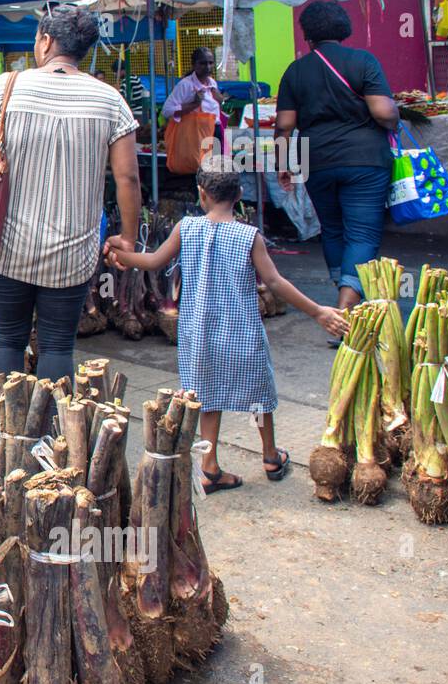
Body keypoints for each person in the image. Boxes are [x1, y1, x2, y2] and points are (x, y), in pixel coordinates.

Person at [0, 4, 142, 448]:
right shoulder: (109, 99)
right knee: (58, 346)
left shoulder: (9, 87)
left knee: (8, 339)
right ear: (85, 48)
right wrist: (130, 238)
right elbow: (128, 178)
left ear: (44, 41)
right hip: (73, 252)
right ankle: (46, 445)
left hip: (8, 246)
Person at [105, 164, 348, 492]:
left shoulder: (187, 228)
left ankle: (209, 466)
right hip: (242, 333)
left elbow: (152, 261)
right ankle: (271, 456)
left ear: (201, 194)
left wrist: (118, 254)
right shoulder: (250, 236)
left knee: (206, 397)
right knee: (260, 396)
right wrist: (318, 312)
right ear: (240, 195)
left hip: (197, 333)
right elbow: (275, 281)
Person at [275, 0, 399, 315]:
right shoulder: (362, 61)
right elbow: (383, 112)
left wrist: (283, 165)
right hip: (365, 160)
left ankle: (345, 295)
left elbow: (284, 126)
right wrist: (395, 115)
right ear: (343, 28)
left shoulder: (295, 71)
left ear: (308, 34)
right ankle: (345, 312)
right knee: (363, 231)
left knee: (332, 229)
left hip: (316, 161)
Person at [162, 47, 223, 174]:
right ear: (194, 65)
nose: (207, 67)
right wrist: (194, 104)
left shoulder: (212, 83)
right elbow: (167, 111)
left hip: (215, 132)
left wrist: (220, 100)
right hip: (196, 136)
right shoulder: (185, 85)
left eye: (210, 63)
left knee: (216, 173)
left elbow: (215, 110)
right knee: (202, 171)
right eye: (203, 63)